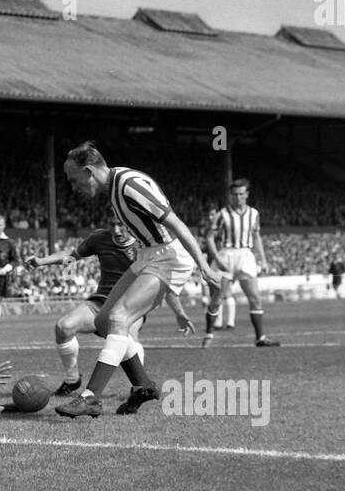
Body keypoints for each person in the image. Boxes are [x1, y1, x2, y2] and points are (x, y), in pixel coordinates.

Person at [56, 142, 227, 417]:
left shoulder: (128, 184)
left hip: (168, 256)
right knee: (102, 321)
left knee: (119, 318)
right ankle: (143, 385)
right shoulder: (114, 189)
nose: (73, 187)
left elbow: (176, 224)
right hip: (148, 255)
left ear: (88, 171)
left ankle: (91, 397)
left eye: (73, 179)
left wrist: (204, 265)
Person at [26, 215, 193, 410]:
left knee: (129, 333)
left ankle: (138, 389)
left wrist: (179, 312)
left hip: (132, 303)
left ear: (132, 223)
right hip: (101, 300)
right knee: (64, 327)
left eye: (121, 225)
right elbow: (72, 255)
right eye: (112, 224)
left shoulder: (146, 245)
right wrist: (41, 261)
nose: (116, 230)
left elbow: (163, 279)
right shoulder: (99, 239)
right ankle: (72, 379)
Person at [202, 179, 280, 348]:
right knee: (218, 298)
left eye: (241, 194)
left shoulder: (254, 214)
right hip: (227, 255)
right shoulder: (222, 214)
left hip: (246, 255)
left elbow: (256, 236)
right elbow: (209, 237)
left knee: (255, 298)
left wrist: (263, 259)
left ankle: (260, 338)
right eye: (235, 194)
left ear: (247, 195)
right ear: (230, 196)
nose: (238, 198)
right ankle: (209, 334)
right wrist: (217, 258)